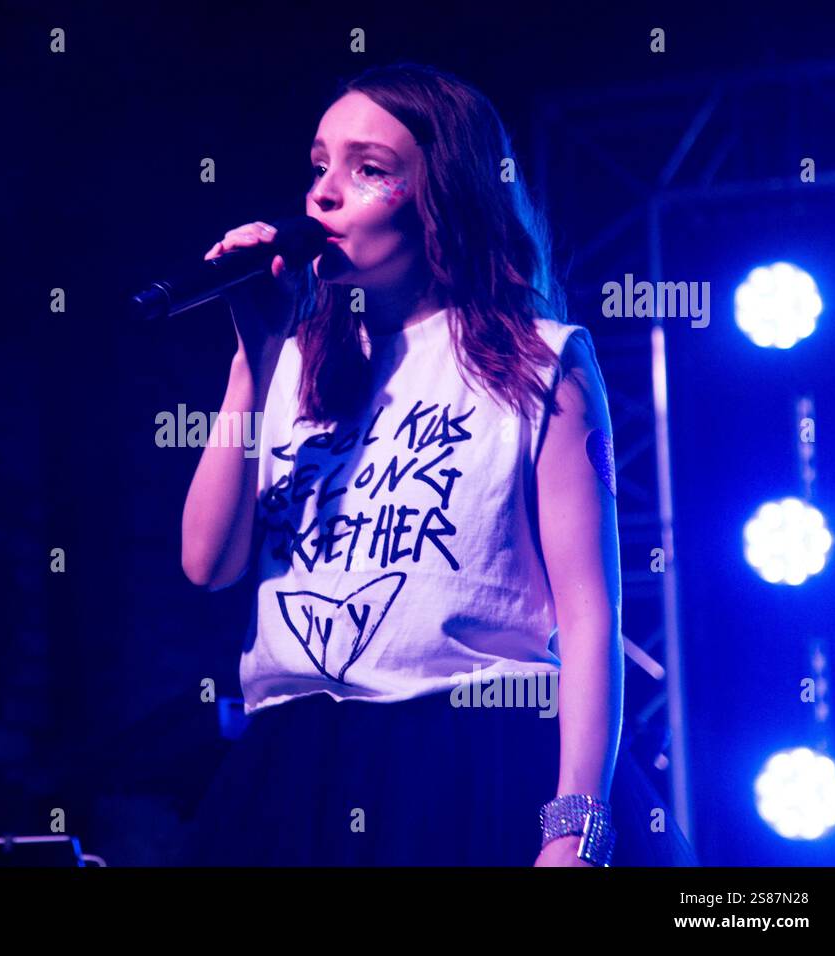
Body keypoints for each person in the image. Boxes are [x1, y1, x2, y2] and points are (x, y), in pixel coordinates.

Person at [179, 62, 697, 866]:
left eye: (368, 169)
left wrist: (576, 827)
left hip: (469, 749)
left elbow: (590, 615)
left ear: (442, 197)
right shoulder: (291, 361)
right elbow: (208, 562)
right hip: (295, 763)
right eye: (319, 165)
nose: (323, 193)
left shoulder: (537, 363)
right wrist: (253, 356)